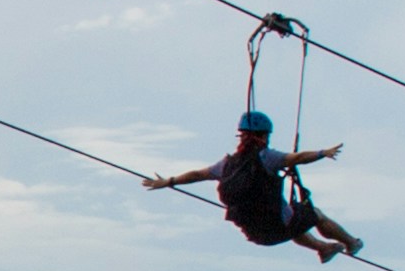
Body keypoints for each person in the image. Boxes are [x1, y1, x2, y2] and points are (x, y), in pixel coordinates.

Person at [145, 107, 356, 260]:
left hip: (257, 235)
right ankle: (350, 242)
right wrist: (322, 153)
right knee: (314, 214)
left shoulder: (227, 165)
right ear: (264, 136)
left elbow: (197, 174)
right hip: (278, 226)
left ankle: (323, 248)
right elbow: (297, 158)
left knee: (293, 222)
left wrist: (169, 181)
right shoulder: (267, 157)